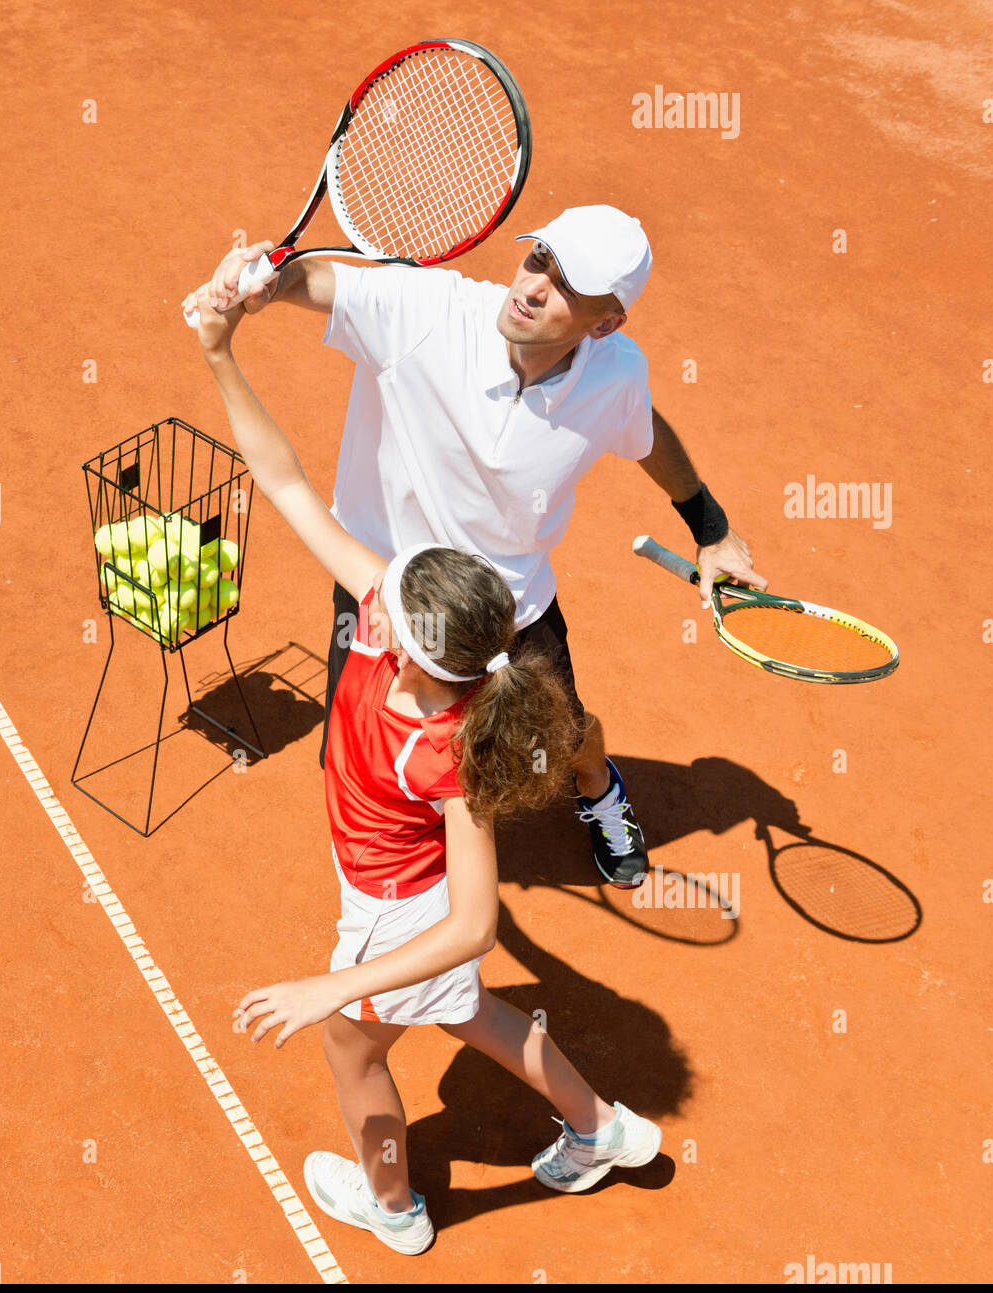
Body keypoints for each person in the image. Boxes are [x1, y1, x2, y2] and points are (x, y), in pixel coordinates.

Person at [193, 289, 663, 1256]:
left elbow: (473, 924)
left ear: (409, 647)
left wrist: (338, 986)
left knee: (352, 1048)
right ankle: (601, 1128)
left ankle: (394, 1208)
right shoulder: (386, 620)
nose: (377, 584)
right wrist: (220, 355)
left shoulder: (445, 754)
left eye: (394, 595)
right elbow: (283, 483)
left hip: (392, 915)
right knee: (474, 1013)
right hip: (389, 900)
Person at [184, 206, 767, 889]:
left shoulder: (615, 376)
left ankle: (598, 788)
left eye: (567, 287)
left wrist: (711, 527)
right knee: (360, 760)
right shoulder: (428, 308)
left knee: (563, 738)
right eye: (538, 259)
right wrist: (263, 283)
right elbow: (317, 283)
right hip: (386, 593)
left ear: (605, 323)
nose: (533, 287)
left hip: (512, 604)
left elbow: (644, 431)